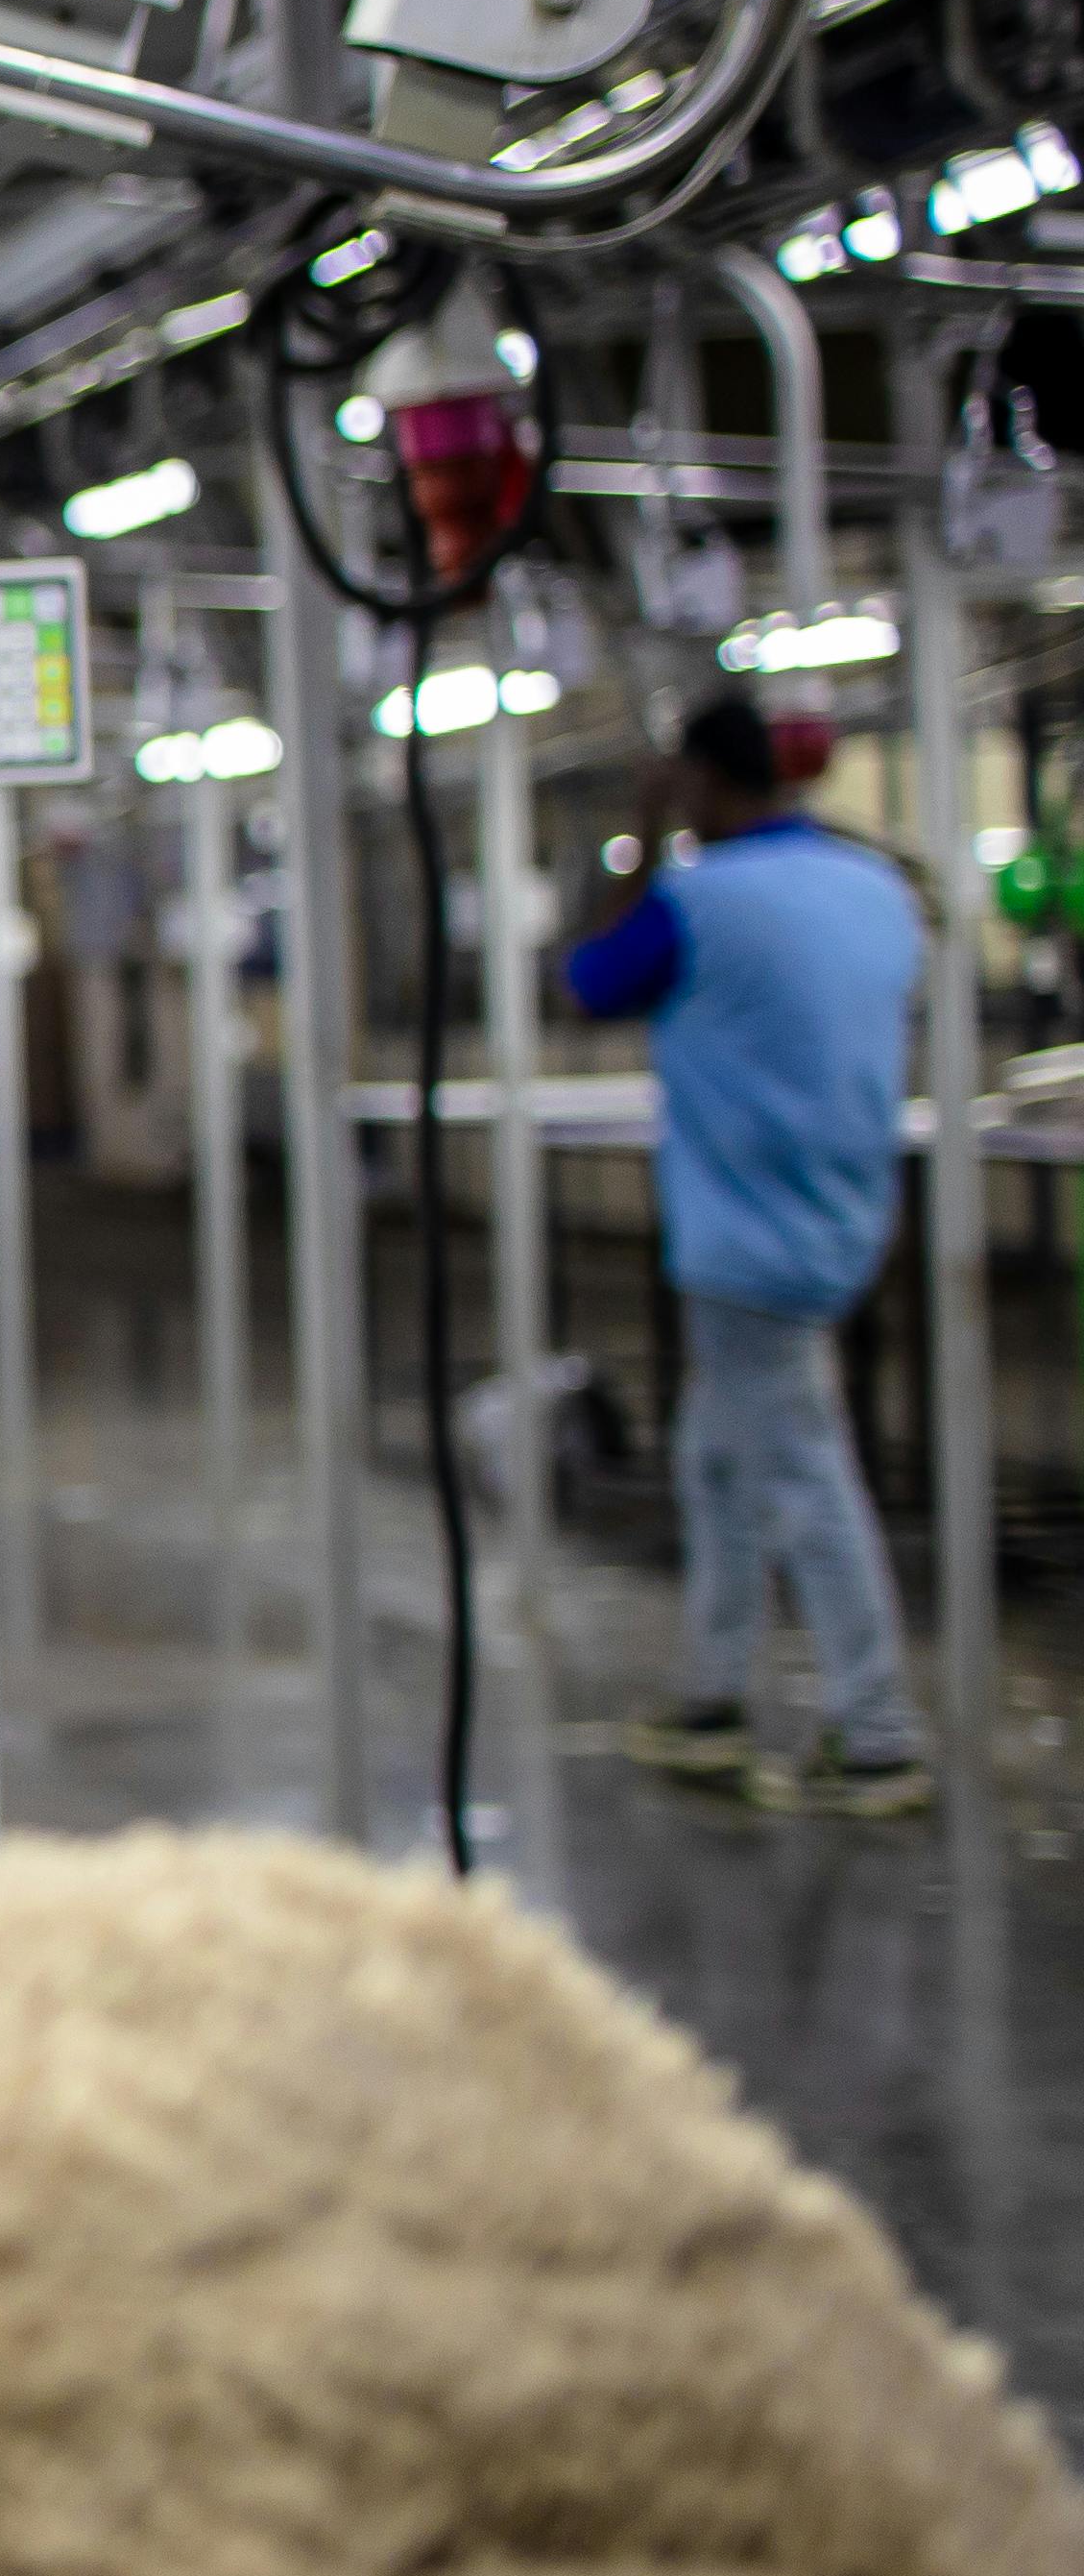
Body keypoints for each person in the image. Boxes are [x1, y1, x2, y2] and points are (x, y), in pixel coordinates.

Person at [563, 689, 931, 1815]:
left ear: (703, 784)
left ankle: (877, 1734)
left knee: (802, 1467)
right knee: (716, 1459)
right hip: (848, 1213)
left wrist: (640, 836)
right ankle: (712, 1699)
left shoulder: (700, 900)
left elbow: (588, 983)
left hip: (743, 1237)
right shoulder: (879, 889)